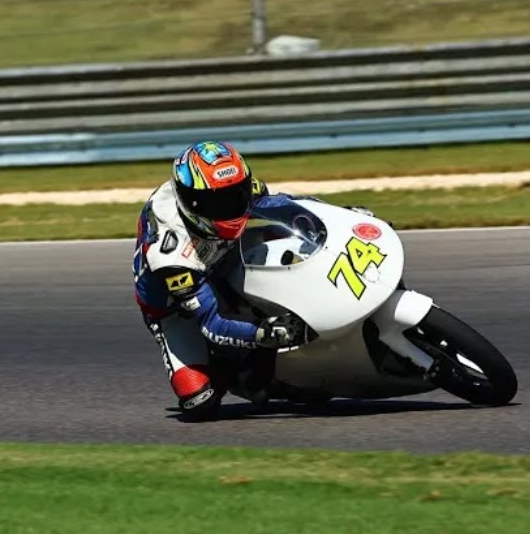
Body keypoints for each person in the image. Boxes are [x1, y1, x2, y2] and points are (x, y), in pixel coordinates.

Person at [132, 140, 376, 420]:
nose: (232, 208)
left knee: (283, 234)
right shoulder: (172, 257)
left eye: (237, 194)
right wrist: (262, 334)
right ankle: (255, 377)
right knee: (198, 400)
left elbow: (285, 203)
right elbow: (211, 324)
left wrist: (341, 217)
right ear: (191, 203)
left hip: (223, 255)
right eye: (219, 203)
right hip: (175, 307)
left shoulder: (234, 190)